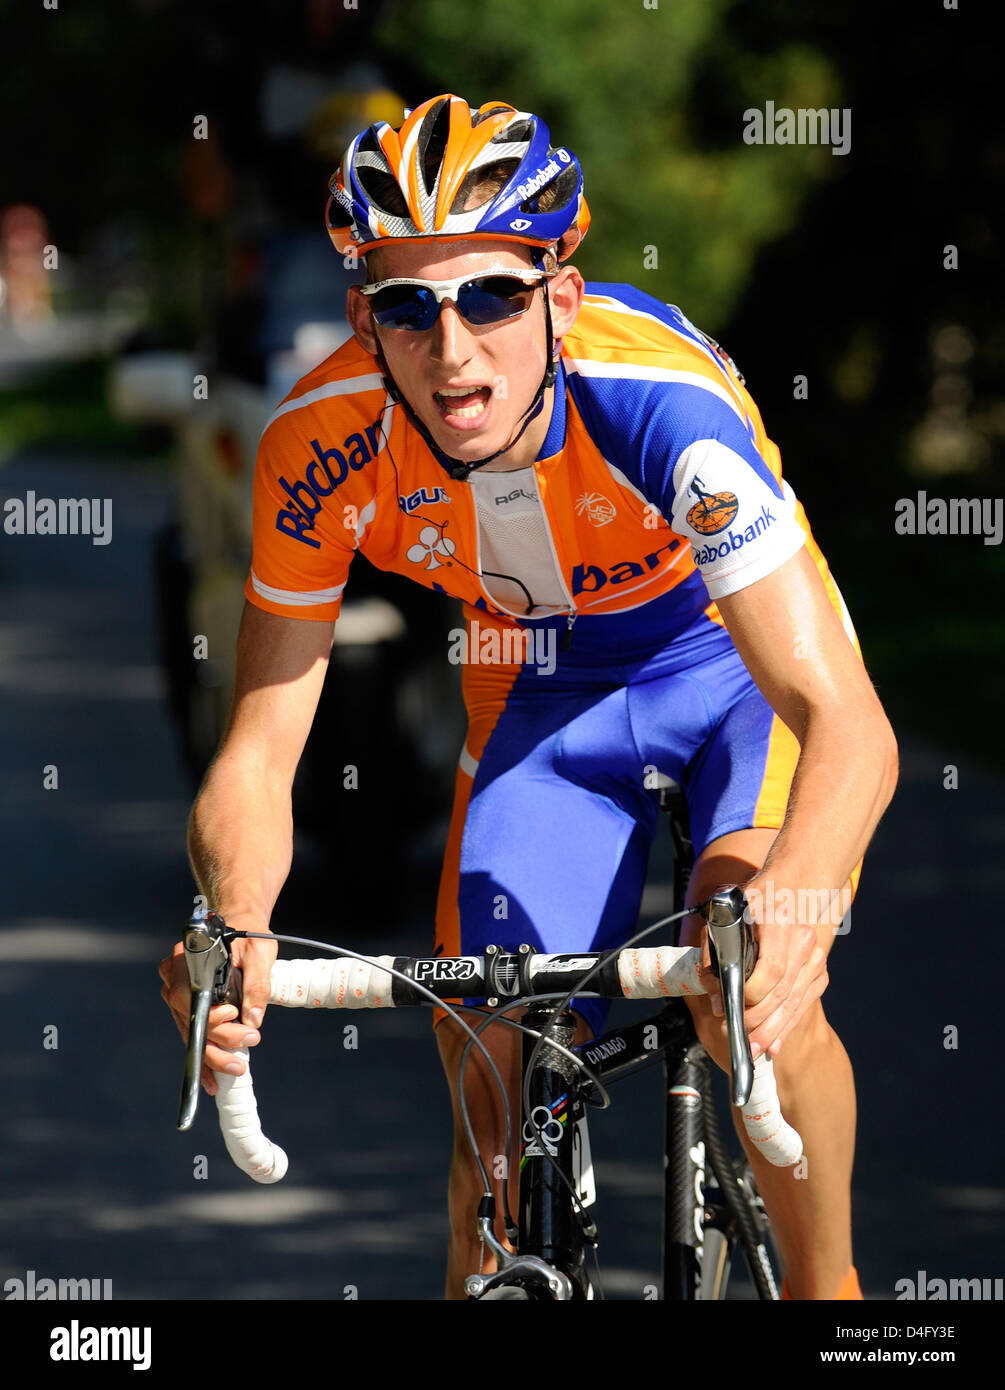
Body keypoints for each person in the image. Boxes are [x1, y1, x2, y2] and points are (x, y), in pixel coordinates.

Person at [160, 94, 898, 1301]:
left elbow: (849, 724)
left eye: (491, 294)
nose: (450, 349)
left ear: (559, 294)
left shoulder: (658, 410)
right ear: (362, 318)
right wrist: (232, 922)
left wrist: (794, 919)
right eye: (405, 305)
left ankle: (833, 1298)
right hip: (541, 688)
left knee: (744, 995)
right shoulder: (319, 441)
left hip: (730, 669)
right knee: (490, 1068)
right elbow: (260, 745)